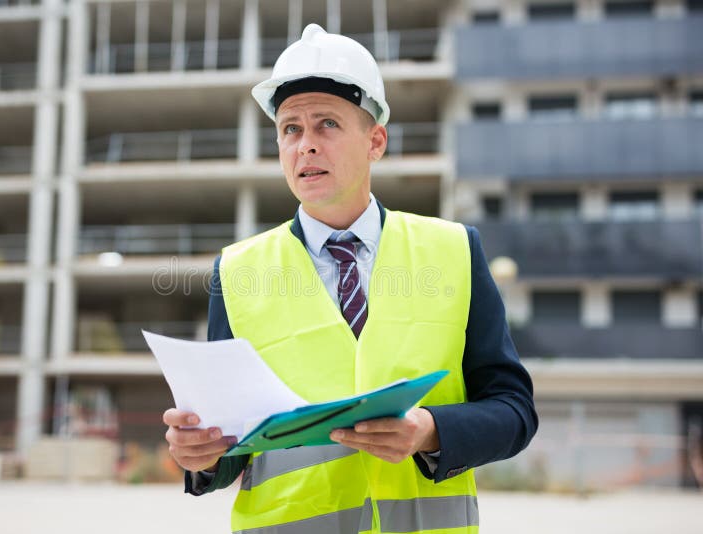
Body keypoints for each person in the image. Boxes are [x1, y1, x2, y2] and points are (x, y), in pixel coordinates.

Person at [163, 24, 538, 534]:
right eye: (290, 129)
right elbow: (231, 448)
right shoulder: (236, 272)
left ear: (375, 141)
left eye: (327, 125)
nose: (306, 146)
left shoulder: (453, 251)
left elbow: (514, 410)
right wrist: (203, 456)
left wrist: (431, 430)